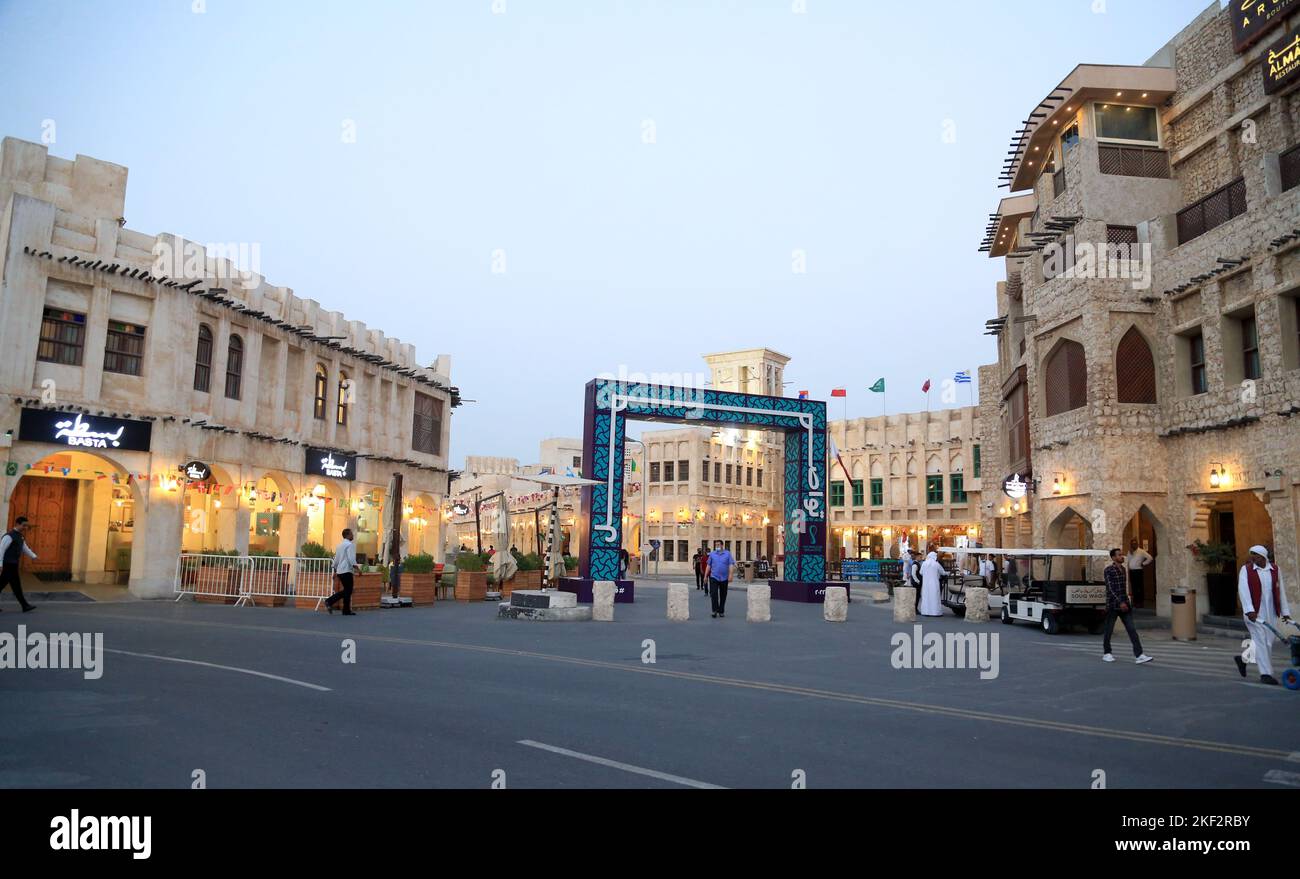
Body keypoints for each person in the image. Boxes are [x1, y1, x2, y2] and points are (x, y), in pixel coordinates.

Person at [1234, 546, 1293, 685]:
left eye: (1256, 555)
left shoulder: (1275, 570)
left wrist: (1285, 612)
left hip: (1270, 611)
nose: (1253, 557)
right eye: (1252, 554)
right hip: (1254, 612)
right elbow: (1243, 590)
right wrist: (1249, 610)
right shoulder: (1246, 570)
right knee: (1261, 640)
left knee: (1267, 641)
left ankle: (1243, 659)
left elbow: (1281, 591)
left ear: (1263, 557)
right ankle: (1266, 674)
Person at [1102, 548, 1153, 665]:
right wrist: (1120, 602)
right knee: (1109, 630)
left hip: (1125, 604)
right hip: (1113, 605)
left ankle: (1139, 655)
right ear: (1113, 558)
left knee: (1132, 629)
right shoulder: (1108, 570)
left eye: (1121, 554)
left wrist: (1127, 600)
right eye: (1119, 555)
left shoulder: (1124, 569)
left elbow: (1123, 588)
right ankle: (1107, 653)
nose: (1122, 556)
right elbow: (1110, 588)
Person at [0, 517, 38, 613]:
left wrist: (33, 556)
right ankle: (25, 605)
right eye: (23, 525)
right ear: (17, 524)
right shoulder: (9, 536)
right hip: (7, 564)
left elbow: (24, 548)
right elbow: (1, 550)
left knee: (15, 586)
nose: (25, 527)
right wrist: (0, 564)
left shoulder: (20, 536)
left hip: (13, 565)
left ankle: (25, 605)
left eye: (26, 525)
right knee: (12, 585)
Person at [325, 528, 358, 616]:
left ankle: (345, 609)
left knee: (347, 590)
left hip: (340, 571)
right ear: (347, 535)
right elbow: (351, 558)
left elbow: (336, 559)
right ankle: (330, 601)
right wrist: (357, 567)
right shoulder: (350, 545)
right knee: (348, 590)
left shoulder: (339, 545)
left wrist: (335, 570)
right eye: (351, 534)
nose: (353, 535)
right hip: (347, 570)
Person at [706, 540, 735, 619]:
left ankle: (721, 611)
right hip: (714, 577)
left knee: (723, 595)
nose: (717, 546)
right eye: (716, 545)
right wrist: (705, 576)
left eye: (718, 544)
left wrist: (731, 575)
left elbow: (731, 564)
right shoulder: (712, 554)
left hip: (724, 578)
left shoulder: (727, 554)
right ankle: (714, 610)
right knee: (714, 594)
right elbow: (708, 565)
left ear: (722, 545)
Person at [1126, 539, 1153, 606]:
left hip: (1138, 571)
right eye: (1132, 544)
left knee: (1139, 587)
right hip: (1131, 571)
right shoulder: (1129, 552)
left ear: (1137, 544)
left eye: (1135, 543)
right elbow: (1128, 560)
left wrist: (1143, 563)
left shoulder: (1141, 551)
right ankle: (1135, 602)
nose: (1133, 545)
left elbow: (1150, 558)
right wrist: (1131, 554)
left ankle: (1140, 602)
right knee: (1134, 587)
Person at [919, 551, 944, 617]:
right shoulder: (936, 564)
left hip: (926, 584)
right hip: (934, 583)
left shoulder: (924, 563)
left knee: (926, 597)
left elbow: (921, 572)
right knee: (934, 597)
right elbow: (942, 572)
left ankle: (926, 611)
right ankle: (935, 612)